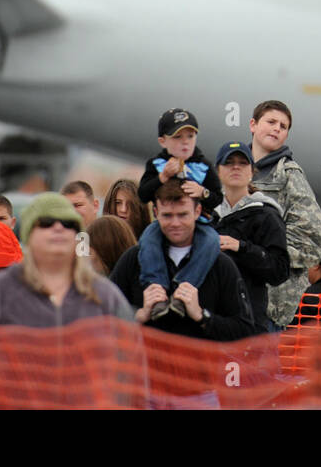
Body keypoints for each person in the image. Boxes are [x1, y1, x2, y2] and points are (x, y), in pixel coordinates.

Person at [108, 179, 260, 340]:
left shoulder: (220, 264)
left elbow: (244, 331)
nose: (175, 223)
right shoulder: (133, 259)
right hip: (143, 363)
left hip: (199, 363)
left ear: (197, 211)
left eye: (182, 215)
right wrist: (138, 315)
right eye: (167, 215)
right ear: (155, 212)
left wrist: (202, 316)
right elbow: (101, 318)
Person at [0, 194, 133, 325]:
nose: (58, 228)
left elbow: (131, 361)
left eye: (68, 224)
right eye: (47, 222)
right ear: (29, 234)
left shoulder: (104, 296)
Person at [247, 100, 321, 329]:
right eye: (271, 122)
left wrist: (265, 257)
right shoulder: (233, 169)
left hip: (270, 305)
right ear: (253, 125)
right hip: (233, 300)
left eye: (283, 126)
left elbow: (313, 239)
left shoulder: (289, 176)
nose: (276, 129)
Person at [136, 108, 223, 319]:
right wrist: (163, 177)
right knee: (147, 239)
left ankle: (184, 288)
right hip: (164, 223)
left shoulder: (203, 166)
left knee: (212, 241)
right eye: (177, 137)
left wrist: (203, 192)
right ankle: (157, 289)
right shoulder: (156, 165)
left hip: (199, 222)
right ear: (162, 141)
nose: (185, 143)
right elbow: (143, 194)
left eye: (190, 137)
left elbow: (218, 197)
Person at [214, 141, 289, 331]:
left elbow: (279, 270)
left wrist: (241, 247)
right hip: (210, 321)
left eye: (243, 162)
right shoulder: (206, 214)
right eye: (229, 162)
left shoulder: (266, 215)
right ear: (218, 170)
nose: (236, 167)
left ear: (252, 170)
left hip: (250, 323)